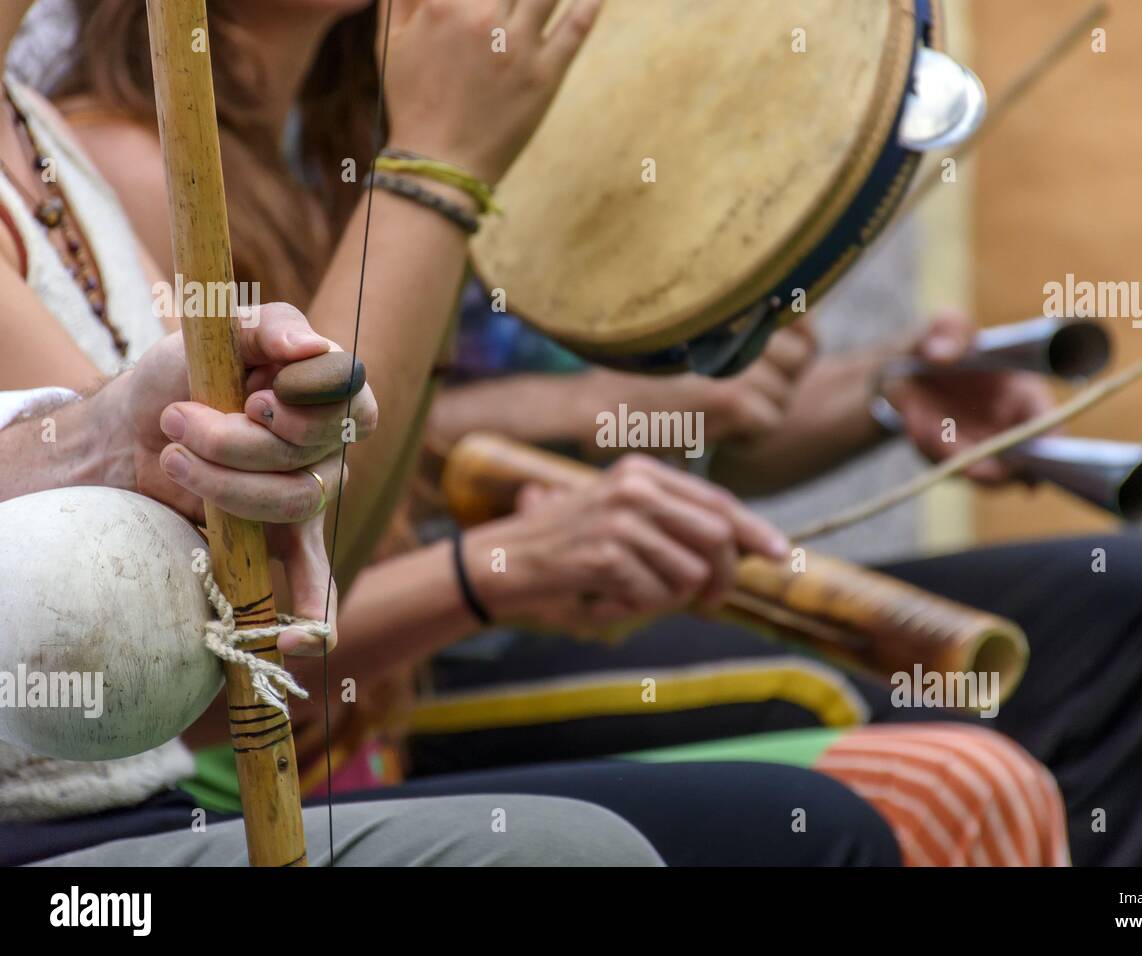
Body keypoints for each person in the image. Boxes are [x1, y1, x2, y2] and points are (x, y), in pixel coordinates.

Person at [0, 0, 926, 868]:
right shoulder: (134, 152)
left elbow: (285, 550)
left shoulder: (50, 147)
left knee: (875, 800)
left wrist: (889, 389)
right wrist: (434, 168)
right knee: (836, 813)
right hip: (173, 796)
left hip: (254, 763)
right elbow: (238, 616)